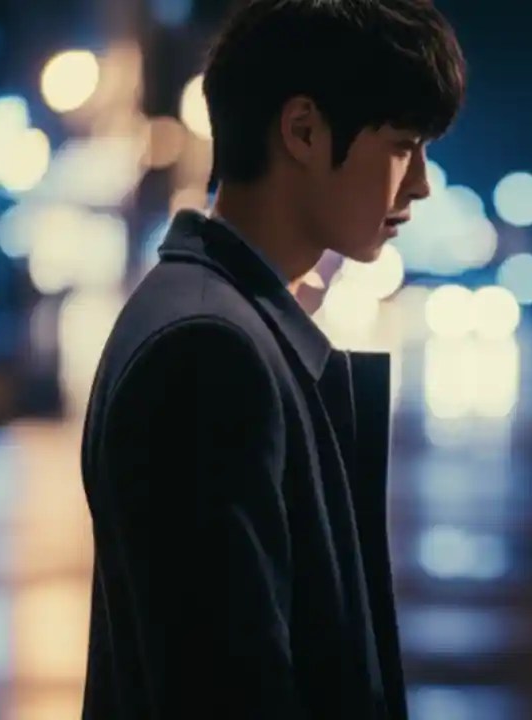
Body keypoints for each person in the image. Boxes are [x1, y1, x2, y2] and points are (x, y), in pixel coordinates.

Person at [78, 1, 465, 717]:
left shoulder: (215, 319)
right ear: (304, 131)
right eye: (404, 146)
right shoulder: (209, 349)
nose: (420, 185)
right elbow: (228, 686)